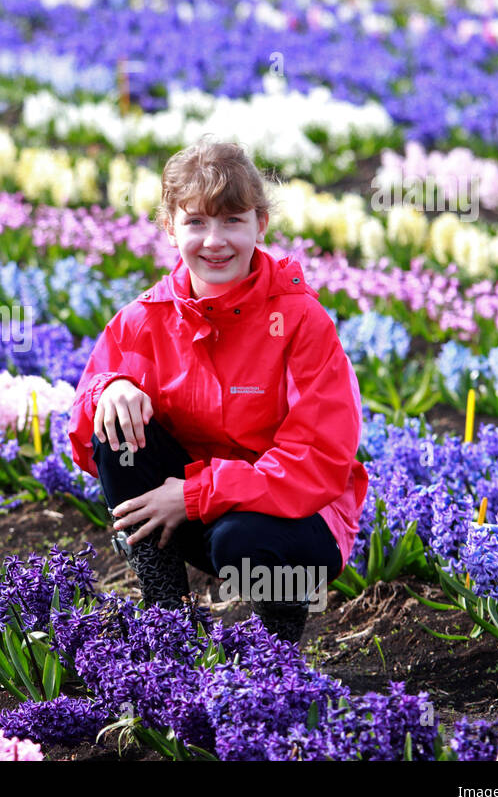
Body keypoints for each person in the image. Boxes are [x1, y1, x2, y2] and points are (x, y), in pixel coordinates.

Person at [67, 138, 369, 645]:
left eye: (232, 221)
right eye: (197, 222)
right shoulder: (145, 319)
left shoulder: (300, 321)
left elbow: (316, 461)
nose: (215, 240)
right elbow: (83, 434)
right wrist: (108, 388)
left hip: (292, 519)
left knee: (242, 542)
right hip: (186, 506)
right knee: (116, 426)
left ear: (260, 225)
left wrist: (194, 495)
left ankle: (279, 649)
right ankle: (169, 624)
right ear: (170, 229)